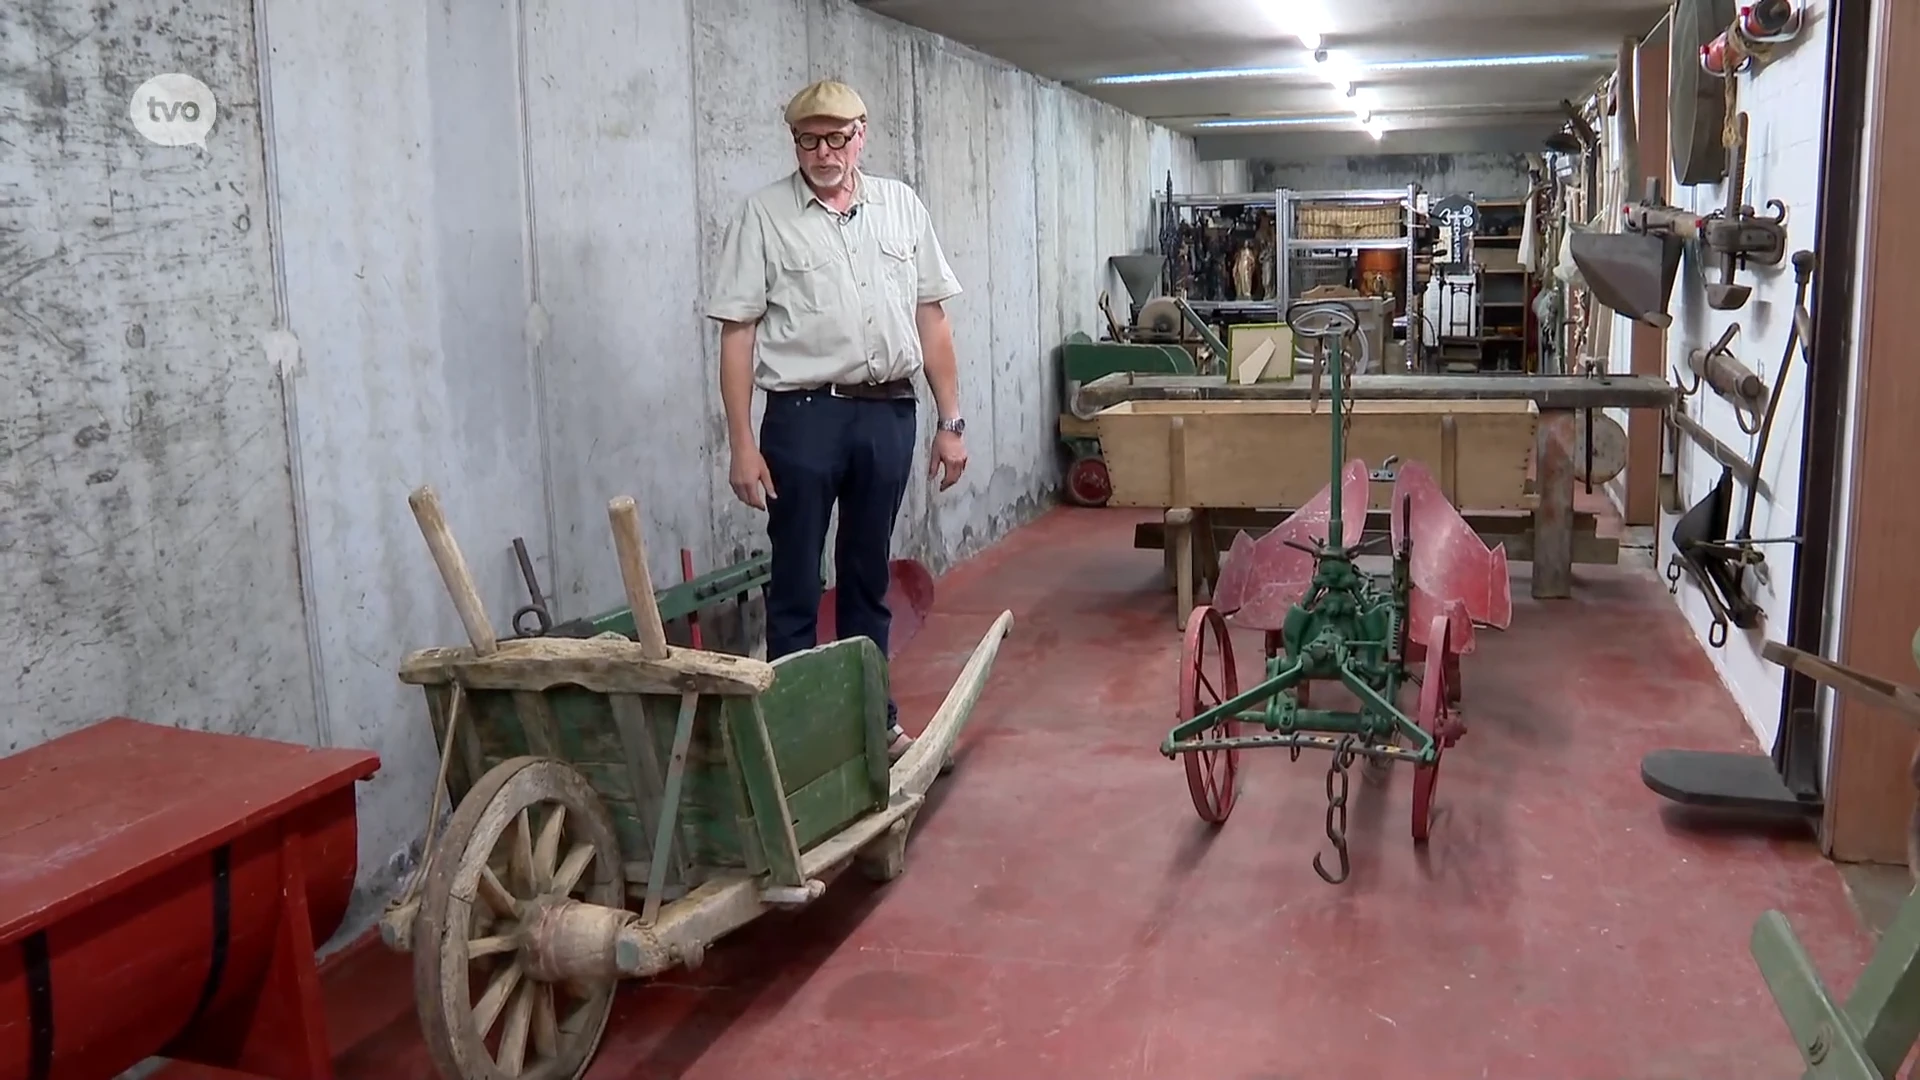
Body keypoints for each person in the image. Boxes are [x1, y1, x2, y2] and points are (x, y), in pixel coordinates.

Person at [704, 78, 969, 761]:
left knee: (865, 574)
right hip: (803, 418)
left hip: (887, 415)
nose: (822, 152)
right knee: (795, 576)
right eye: (807, 140)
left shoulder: (902, 208)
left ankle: (868, 719)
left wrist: (952, 421)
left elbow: (931, 319)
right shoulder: (763, 215)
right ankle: (794, 731)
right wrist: (741, 443)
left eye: (836, 137)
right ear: (794, 142)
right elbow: (738, 334)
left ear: (863, 133)